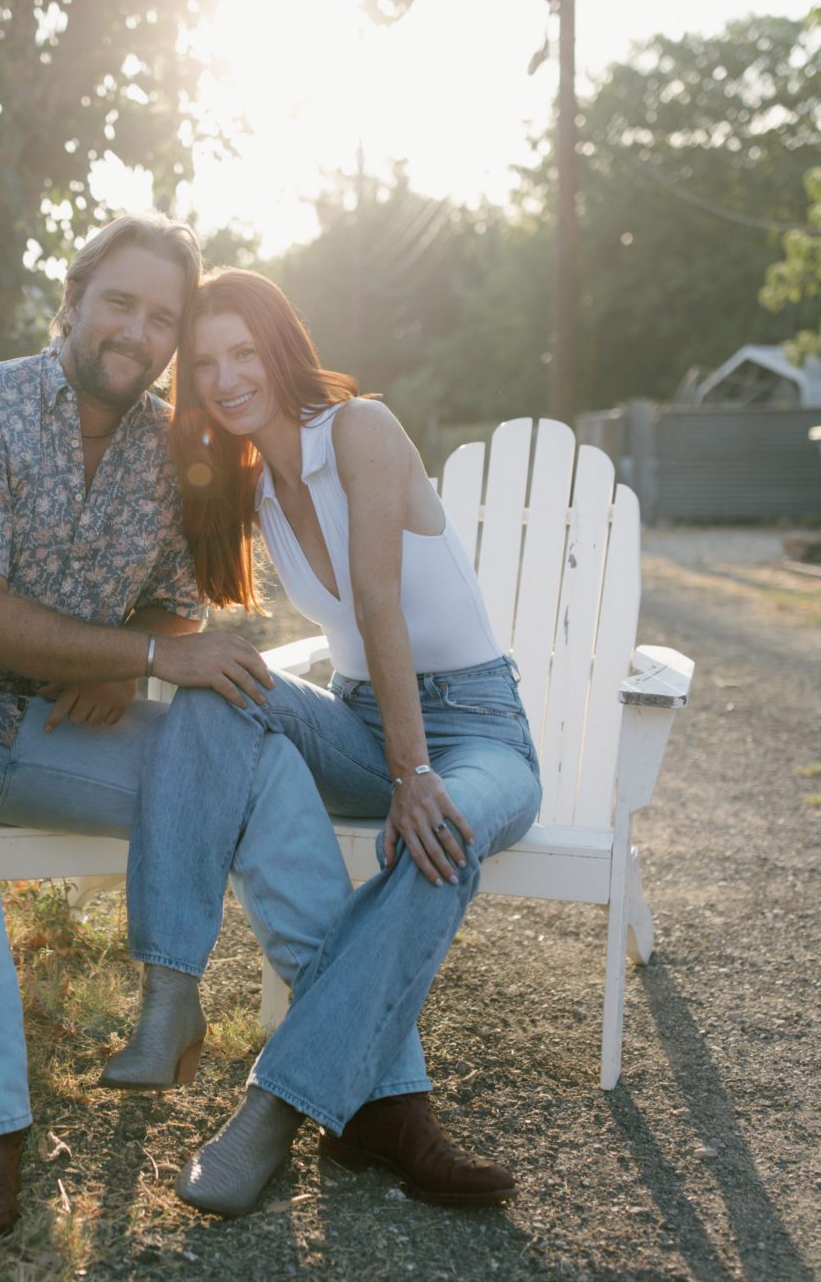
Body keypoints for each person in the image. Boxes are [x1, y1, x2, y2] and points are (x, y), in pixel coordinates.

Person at [0, 218, 355, 1243]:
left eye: (163, 318)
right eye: (121, 302)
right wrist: (140, 659)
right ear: (70, 300)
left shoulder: (168, 451)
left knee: (251, 751)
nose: (138, 331)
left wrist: (137, 650)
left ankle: (361, 1083)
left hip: (47, 728)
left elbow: (176, 609)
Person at [110, 268, 545, 1217]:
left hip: (475, 730)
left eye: (243, 353)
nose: (227, 379)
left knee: (443, 836)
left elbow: (379, 601)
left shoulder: (360, 430)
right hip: (360, 714)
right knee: (213, 685)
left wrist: (415, 773)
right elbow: (177, 607)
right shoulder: (250, 490)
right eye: (206, 364)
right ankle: (171, 991)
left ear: (282, 347)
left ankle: (274, 1105)